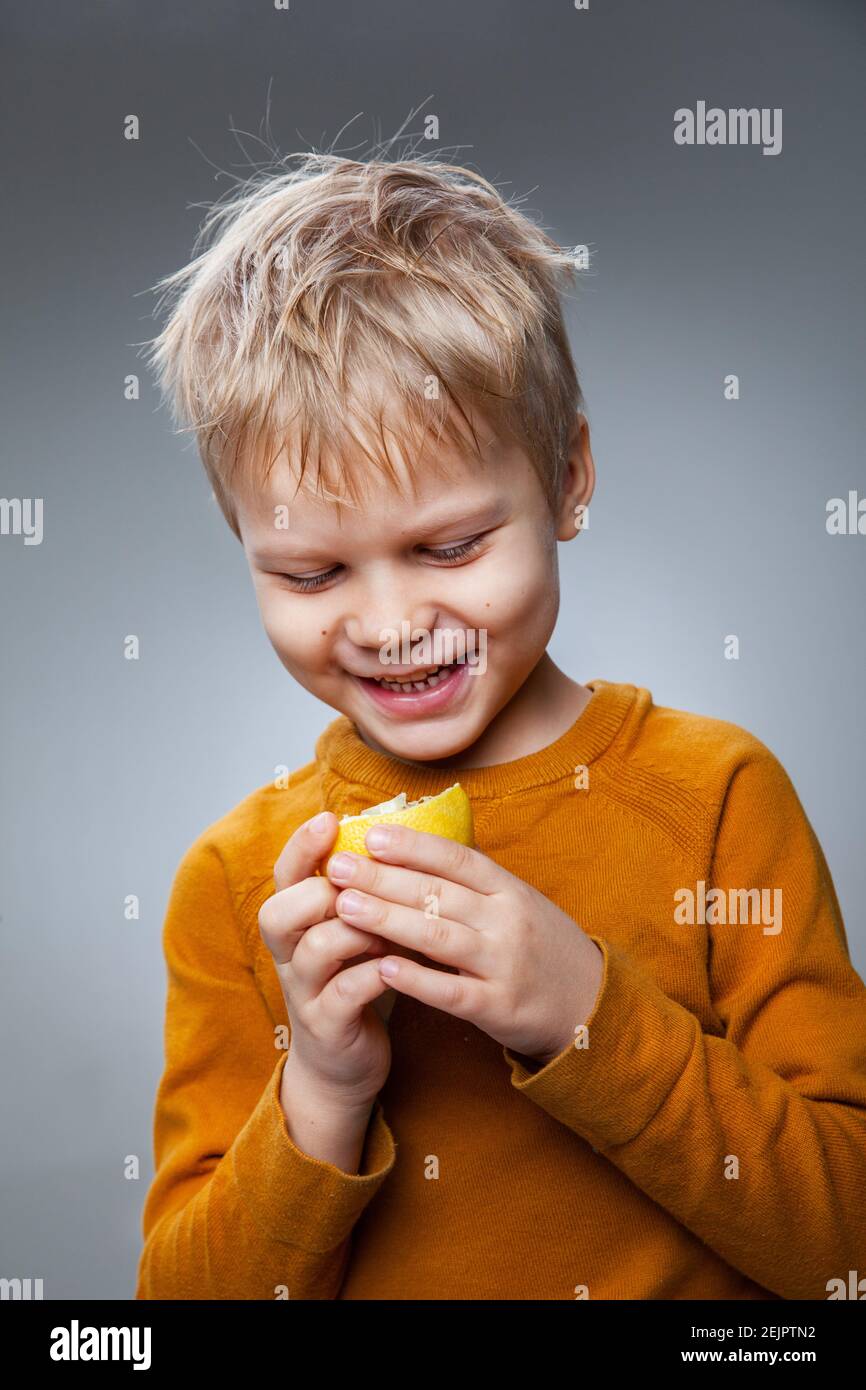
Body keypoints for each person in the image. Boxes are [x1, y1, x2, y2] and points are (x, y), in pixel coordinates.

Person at [135, 151, 866, 1300]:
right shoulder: (240, 887)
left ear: (566, 475)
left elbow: (847, 1253)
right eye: (313, 570)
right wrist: (321, 1089)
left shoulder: (717, 797)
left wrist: (584, 1010)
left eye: (450, 546)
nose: (389, 622)